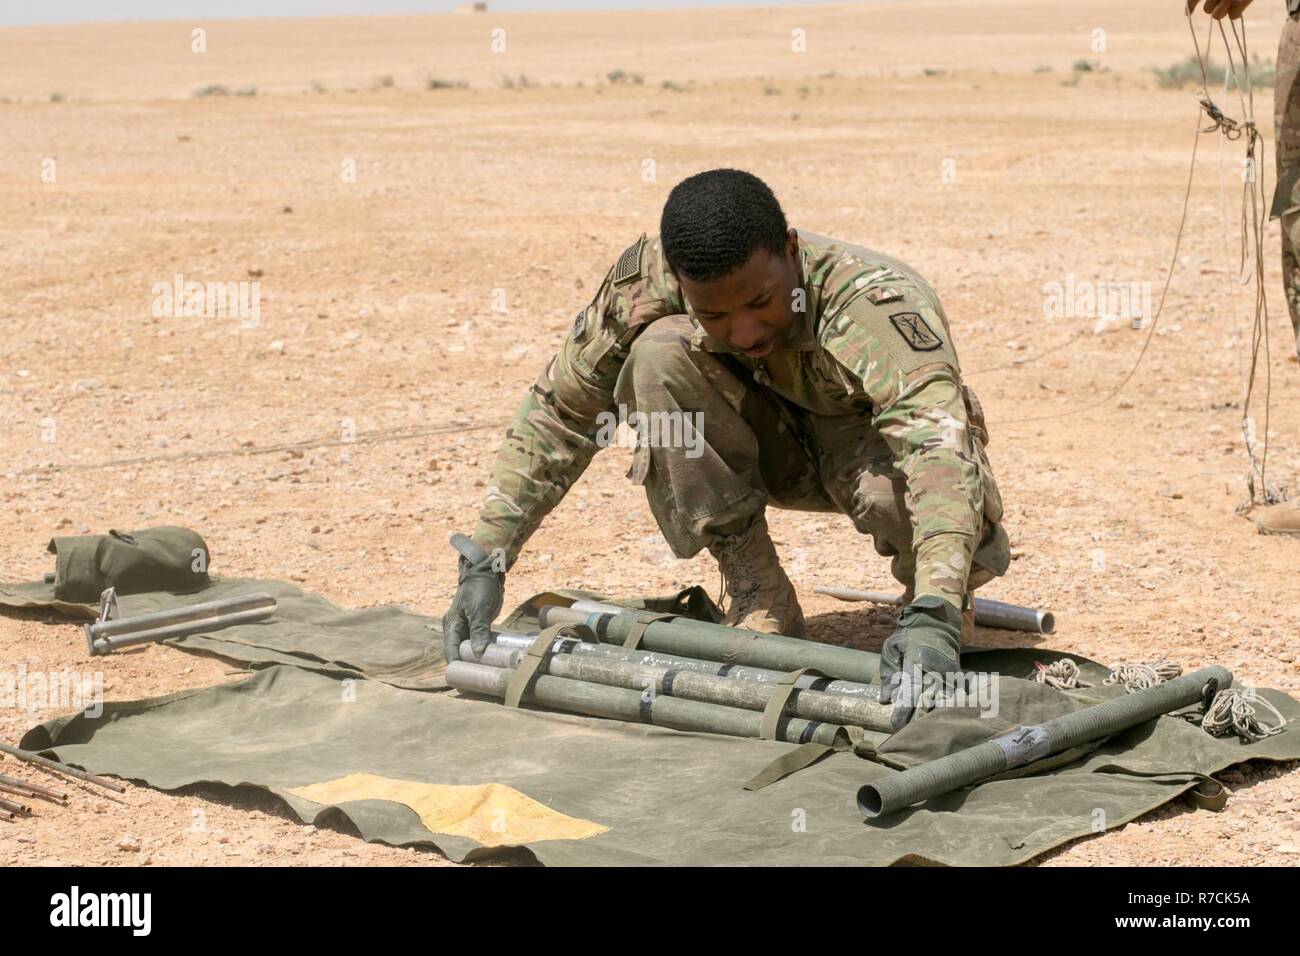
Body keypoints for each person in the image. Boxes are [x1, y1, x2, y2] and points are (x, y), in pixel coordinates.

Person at [442, 169, 1010, 727]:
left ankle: (936, 601)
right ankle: (759, 589)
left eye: (762, 302)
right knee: (658, 356)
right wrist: (488, 559)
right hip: (766, 442)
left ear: (790, 251)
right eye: (713, 314)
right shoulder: (650, 281)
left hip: (867, 448)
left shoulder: (871, 302)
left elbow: (936, 450)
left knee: (901, 496)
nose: (744, 333)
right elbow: (562, 412)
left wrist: (935, 608)